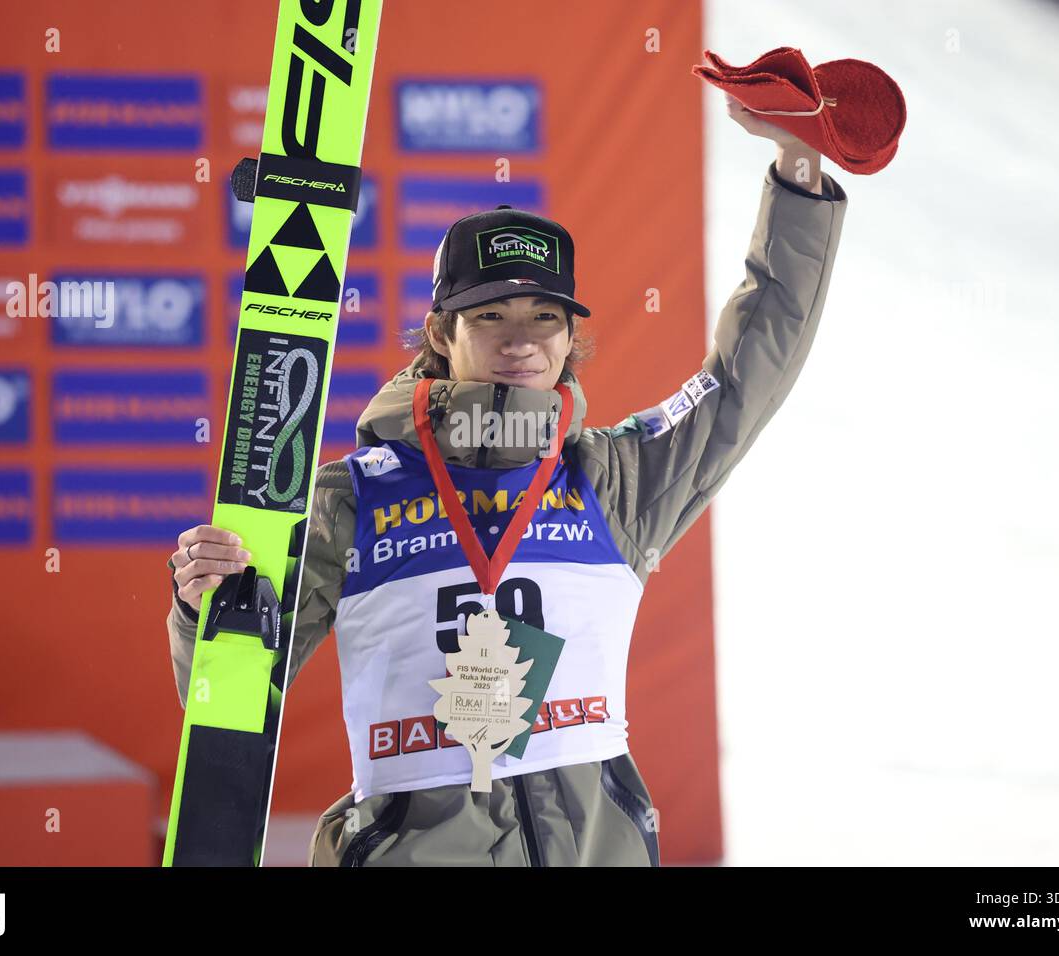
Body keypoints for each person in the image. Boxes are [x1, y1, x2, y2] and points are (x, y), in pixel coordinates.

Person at [166, 93, 848, 866]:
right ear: (439, 333)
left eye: (545, 316)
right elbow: (236, 686)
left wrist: (799, 172)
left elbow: (749, 371)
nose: (521, 340)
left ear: (569, 338)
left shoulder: (614, 480)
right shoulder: (354, 498)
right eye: (490, 315)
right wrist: (204, 610)